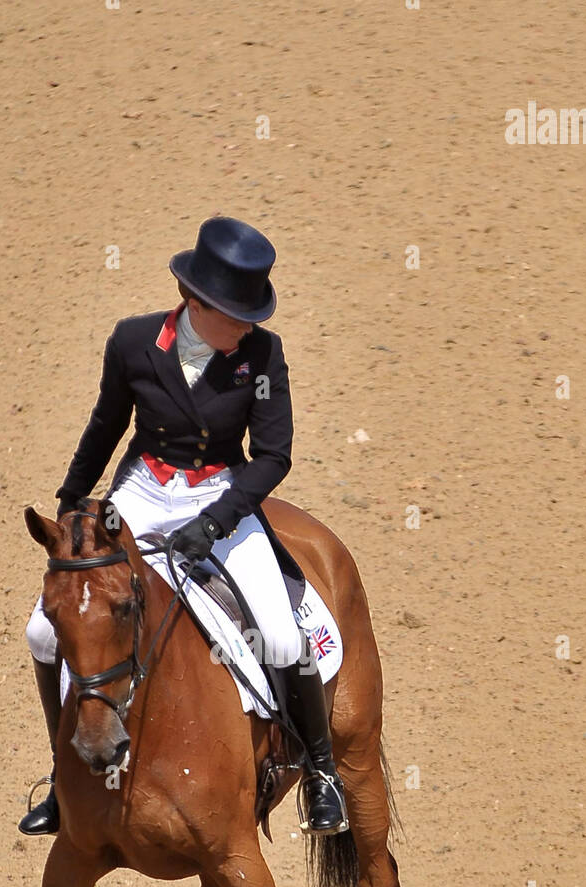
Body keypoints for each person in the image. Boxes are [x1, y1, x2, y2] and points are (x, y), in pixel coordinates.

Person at [20, 216, 348, 838]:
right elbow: (105, 426)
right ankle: (64, 778)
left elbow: (274, 456)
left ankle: (324, 775)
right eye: (237, 314)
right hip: (143, 490)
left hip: (222, 491)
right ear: (196, 303)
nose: (249, 326)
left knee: (279, 637)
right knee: (42, 631)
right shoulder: (133, 342)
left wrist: (215, 522)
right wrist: (70, 504)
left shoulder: (263, 353)